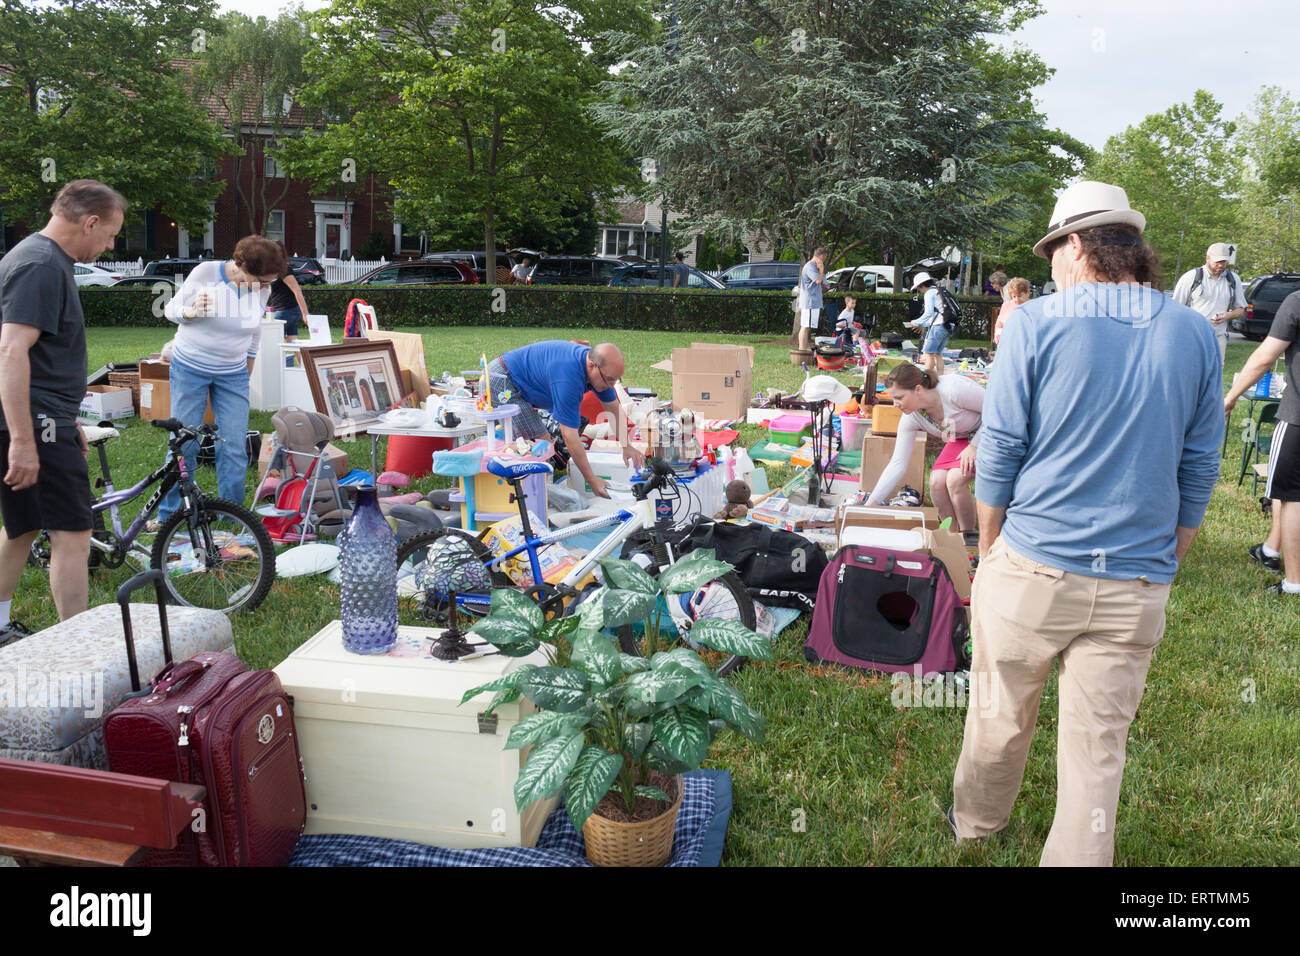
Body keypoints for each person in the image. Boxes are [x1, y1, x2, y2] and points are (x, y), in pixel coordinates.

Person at [950, 180, 1222, 867]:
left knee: (1000, 714)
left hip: (1034, 565)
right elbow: (1199, 465)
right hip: (1136, 578)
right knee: (1100, 749)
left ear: (1077, 245)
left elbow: (1002, 449)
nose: (1050, 267)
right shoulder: (1195, 332)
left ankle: (977, 828)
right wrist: (1171, 557)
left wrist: (990, 542)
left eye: (1052, 251)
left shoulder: (1036, 323)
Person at [0, 179, 126, 642]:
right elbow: (11, 351)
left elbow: (37, 356)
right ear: (89, 222)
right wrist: (25, 438)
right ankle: (75, 645)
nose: (110, 245)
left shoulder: (40, 259)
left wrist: (65, 418)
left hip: (46, 417)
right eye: (110, 234)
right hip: (36, 421)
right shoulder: (40, 265)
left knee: (22, 526)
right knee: (72, 532)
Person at [153, 236, 287, 527]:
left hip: (233, 373)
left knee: (234, 445)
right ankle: (170, 519)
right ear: (241, 266)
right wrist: (191, 312)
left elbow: (254, 334)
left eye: (269, 282)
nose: (266, 287)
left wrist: (245, 373)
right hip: (190, 367)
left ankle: (233, 518)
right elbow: (170, 310)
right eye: (262, 280)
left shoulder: (262, 286)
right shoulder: (207, 274)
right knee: (184, 443)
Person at [485, 341, 644, 498]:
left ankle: (541, 492)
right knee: (540, 444)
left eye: (616, 380)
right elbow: (569, 436)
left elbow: (614, 410)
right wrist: (591, 479)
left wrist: (627, 446)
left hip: (513, 373)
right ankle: (533, 498)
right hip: (503, 380)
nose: (612, 385)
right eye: (610, 379)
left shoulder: (600, 371)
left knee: (542, 445)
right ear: (592, 366)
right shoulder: (569, 379)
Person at [1224, 287, 1300, 597]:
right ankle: (1271, 550)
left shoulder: (1296, 301)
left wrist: (1230, 397)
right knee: (1284, 490)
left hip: (1297, 420)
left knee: (1292, 495)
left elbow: (1263, 359)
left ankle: (1294, 584)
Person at [864, 364, 984, 532]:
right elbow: (897, 464)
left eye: (899, 397)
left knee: (954, 480)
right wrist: (870, 505)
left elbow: (996, 410)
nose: (894, 404)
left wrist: (975, 446)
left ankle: (967, 536)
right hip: (962, 438)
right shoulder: (913, 416)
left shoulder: (953, 390)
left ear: (918, 389)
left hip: (990, 431)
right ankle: (950, 534)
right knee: (936, 483)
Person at [1171, 243, 1246, 366]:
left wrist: (1228, 315)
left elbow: (1241, 309)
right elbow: (1175, 309)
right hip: (1193, 337)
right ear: (1207, 258)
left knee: (1215, 377)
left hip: (1219, 337)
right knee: (1191, 373)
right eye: (1217, 261)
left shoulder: (1233, 279)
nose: (1221, 265)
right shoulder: (1191, 277)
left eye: (1224, 262)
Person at [905, 271, 949, 380]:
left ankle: (927, 379)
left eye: (919, 289)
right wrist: (923, 323)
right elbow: (935, 314)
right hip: (948, 325)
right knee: (938, 354)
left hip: (938, 326)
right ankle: (940, 378)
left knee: (929, 354)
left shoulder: (929, 293)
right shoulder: (939, 291)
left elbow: (929, 313)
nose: (920, 291)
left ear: (922, 285)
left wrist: (916, 322)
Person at [265, 250, 310, 343]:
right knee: (292, 340)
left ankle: (277, 357)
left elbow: (297, 290)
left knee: (269, 337)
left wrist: (305, 314)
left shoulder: (284, 269)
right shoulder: (274, 270)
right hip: (288, 310)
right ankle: (300, 358)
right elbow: (269, 290)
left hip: (286, 310)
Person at [796, 247, 828, 350]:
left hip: (812, 301)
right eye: (824, 258)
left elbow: (816, 283)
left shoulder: (812, 267)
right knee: (805, 326)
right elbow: (818, 280)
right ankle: (802, 350)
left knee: (807, 326)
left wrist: (822, 286)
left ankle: (803, 350)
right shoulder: (810, 267)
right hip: (810, 302)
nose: (823, 261)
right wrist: (821, 269)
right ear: (821, 256)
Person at [993, 277, 1031, 346]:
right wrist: (998, 336)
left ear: (1028, 293)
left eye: (1020, 296)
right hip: (1007, 345)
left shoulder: (1033, 307)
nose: (1016, 299)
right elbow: (999, 325)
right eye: (1014, 296)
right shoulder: (1006, 305)